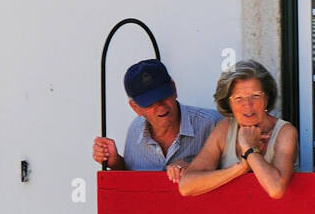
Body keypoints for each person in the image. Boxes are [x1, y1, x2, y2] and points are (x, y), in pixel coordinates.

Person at [179, 60, 298, 200]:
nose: (247, 105)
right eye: (238, 98)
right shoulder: (224, 128)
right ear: (228, 103)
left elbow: (275, 189)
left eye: (255, 96)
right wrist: (241, 167)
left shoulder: (285, 132)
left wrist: (249, 149)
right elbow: (186, 186)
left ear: (267, 98)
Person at [91, 59, 219, 184]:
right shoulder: (135, 130)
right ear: (135, 108)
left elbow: (234, 176)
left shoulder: (214, 124)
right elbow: (133, 186)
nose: (161, 107)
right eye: (150, 102)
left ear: (174, 89)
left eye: (164, 96)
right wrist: (116, 162)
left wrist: (194, 168)